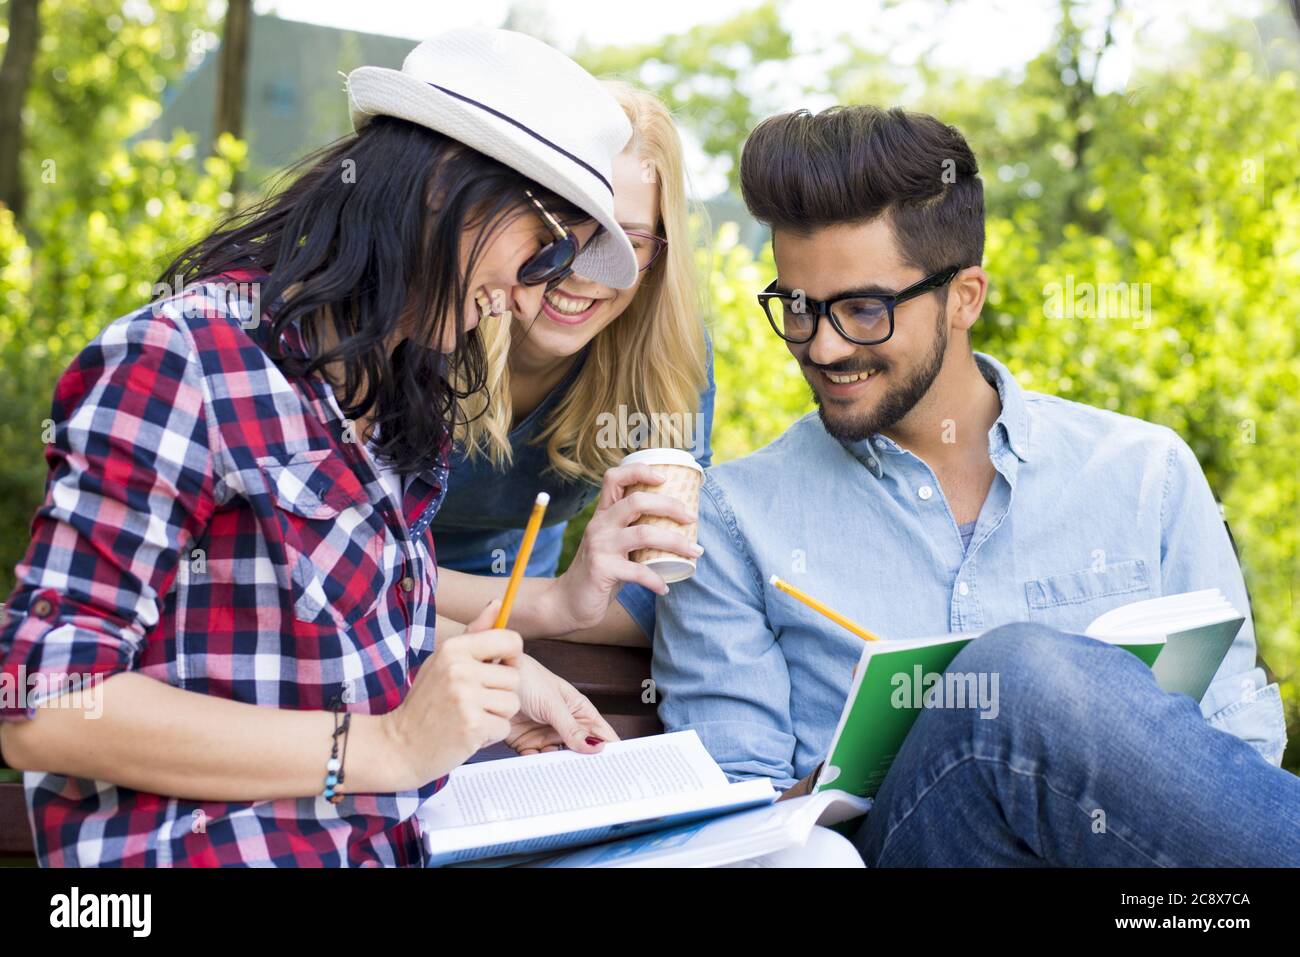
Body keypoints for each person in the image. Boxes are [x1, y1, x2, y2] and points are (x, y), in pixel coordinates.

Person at [0, 28, 642, 867]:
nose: (529, 303)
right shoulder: (184, 358)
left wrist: (474, 676)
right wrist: (381, 747)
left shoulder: (393, 387)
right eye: (546, 252)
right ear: (447, 187)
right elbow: (45, 701)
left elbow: (293, 631)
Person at [652, 104, 1300, 866]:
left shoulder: (1144, 474)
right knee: (1015, 679)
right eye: (797, 307)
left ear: (964, 297)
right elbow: (735, 826)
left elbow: (1235, 762)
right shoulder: (731, 521)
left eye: (864, 309)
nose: (821, 345)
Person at [433, 81, 714, 649]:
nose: (586, 273)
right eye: (567, 228)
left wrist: (555, 605)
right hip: (386, 589)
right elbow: (334, 565)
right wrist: (552, 605)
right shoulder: (435, 318)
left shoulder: (666, 356)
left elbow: (664, 592)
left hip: (520, 595)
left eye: (628, 242)